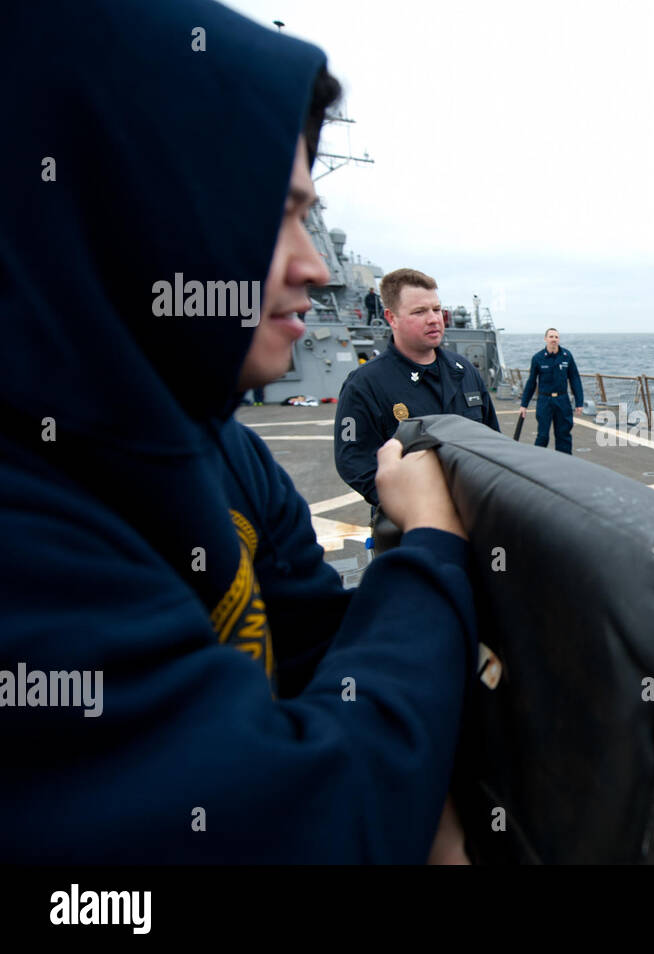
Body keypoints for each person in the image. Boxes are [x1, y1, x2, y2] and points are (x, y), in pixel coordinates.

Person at [2, 0, 474, 863]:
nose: (316, 266)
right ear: (141, 204)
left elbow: (320, 654)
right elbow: (307, 826)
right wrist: (432, 543)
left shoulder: (225, 451)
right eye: (276, 215)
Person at [335, 268, 500, 509]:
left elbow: (492, 438)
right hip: (414, 523)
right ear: (392, 318)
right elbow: (353, 461)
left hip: (475, 510)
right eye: (420, 311)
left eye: (436, 309)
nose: (434, 319)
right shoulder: (364, 384)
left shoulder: (464, 370)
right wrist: (406, 506)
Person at [519, 328, 584, 453]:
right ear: (545, 339)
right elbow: (531, 382)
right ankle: (537, 463)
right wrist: (524, 404)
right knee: (543, 436)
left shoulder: (567, 356)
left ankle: (564, 465)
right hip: (545, 401)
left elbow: (575, 379)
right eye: (551, 337)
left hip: (562, 400)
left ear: (558, 339)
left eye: (556, 337)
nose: (554, 339)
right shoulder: (537, 358)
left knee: (563, 435)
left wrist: (579, 402)